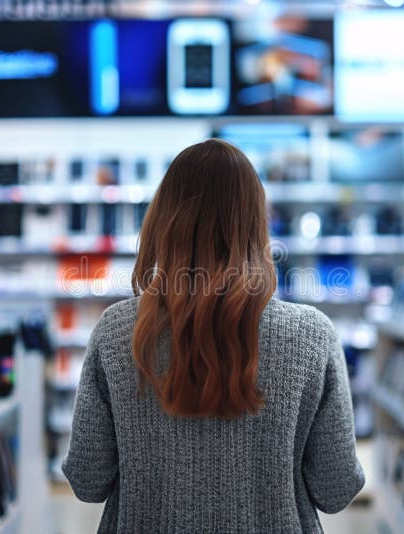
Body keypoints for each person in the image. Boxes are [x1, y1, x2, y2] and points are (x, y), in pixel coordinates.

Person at [63, 139, 365, 533]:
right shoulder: (311, 335)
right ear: (257, 224)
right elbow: (335, 487)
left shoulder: (118, 331)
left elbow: (88, 480)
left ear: (163, 220)